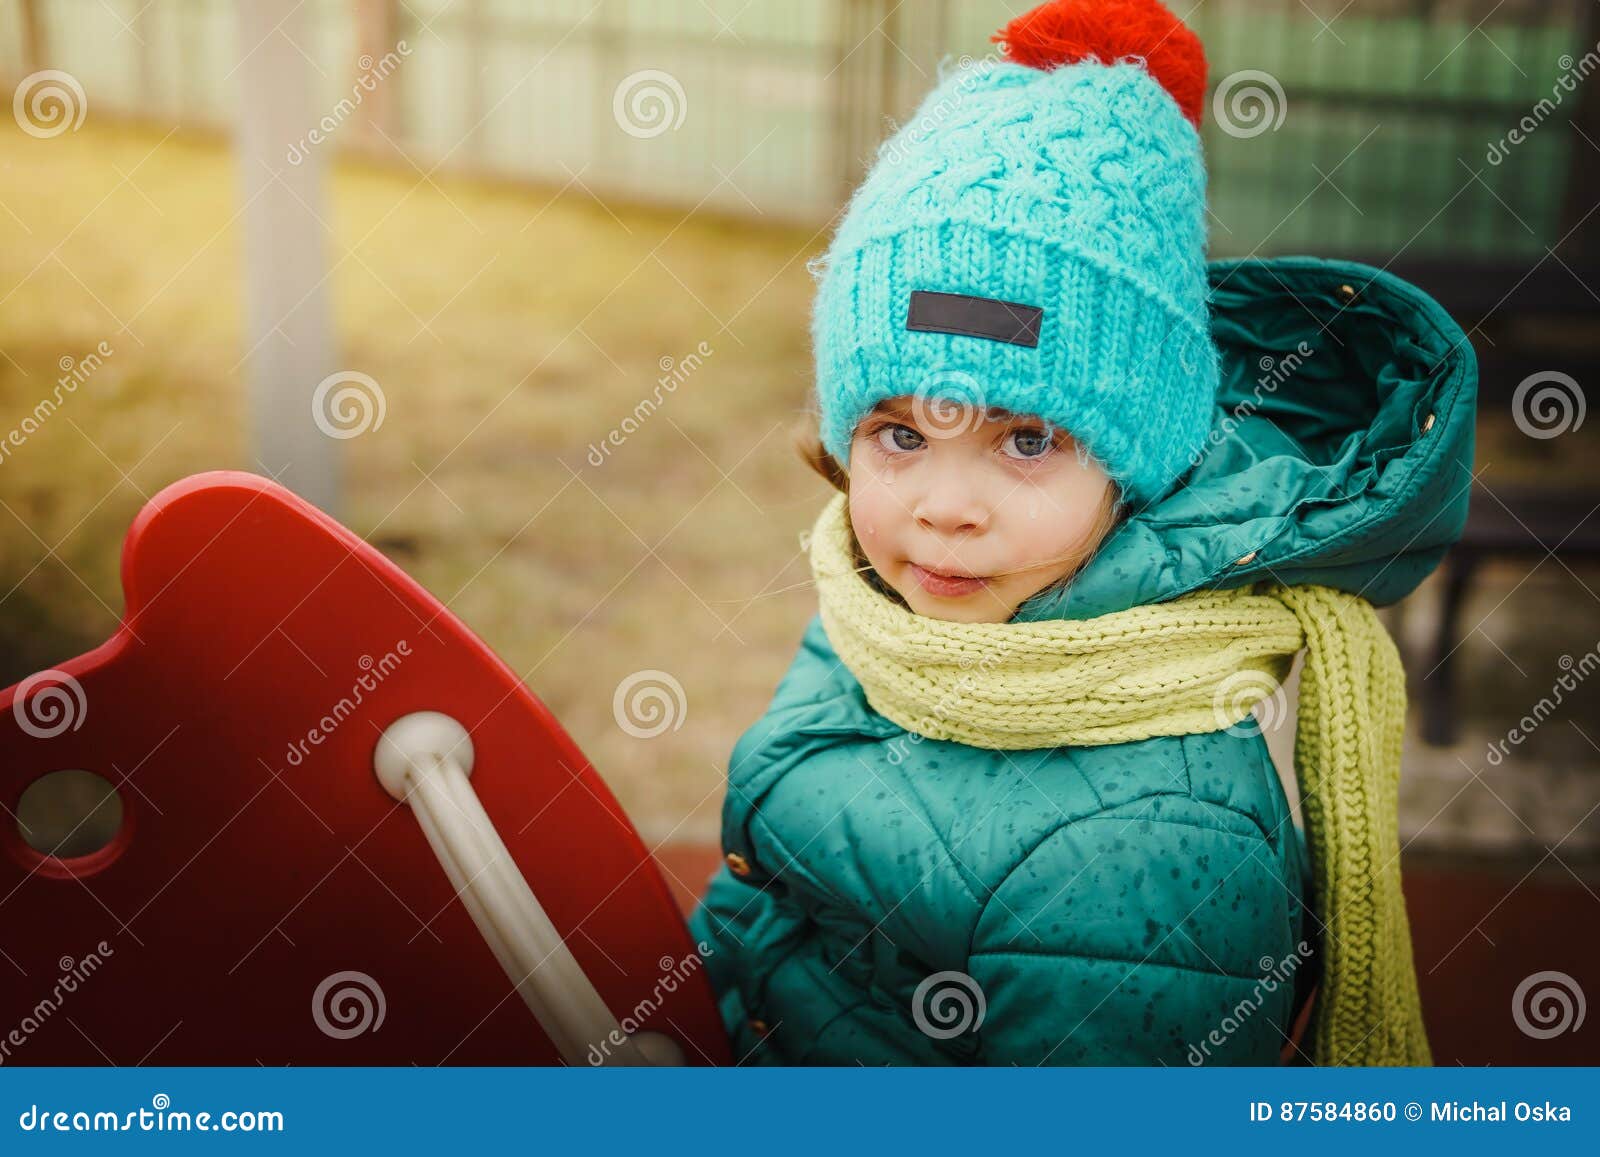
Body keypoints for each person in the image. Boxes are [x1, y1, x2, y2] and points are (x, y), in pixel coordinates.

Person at [686, 0, 1473, 1066]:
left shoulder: (1148, 845)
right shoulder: (895, 603)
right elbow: (768, 907)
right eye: (899, 433)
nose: (944, 505)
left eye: (1025, 440)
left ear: (1136, 464)